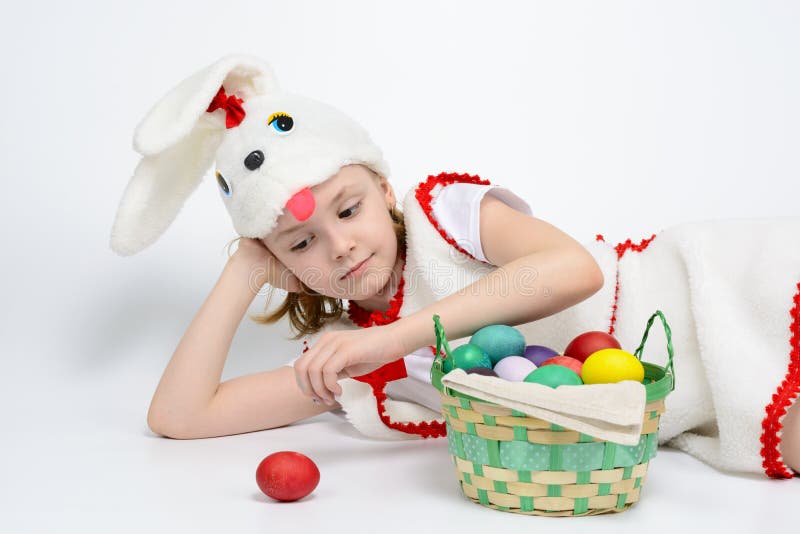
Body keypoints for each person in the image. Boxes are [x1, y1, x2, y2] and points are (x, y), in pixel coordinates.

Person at [111, 54, 800, 479]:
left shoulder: (448, 214)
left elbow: (571, 271)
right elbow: (180, 415)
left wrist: (397, 335)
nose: (339, 247)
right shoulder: (359, 364)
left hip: (709, 297)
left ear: (385, 190)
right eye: (300, 243)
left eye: (348, 210)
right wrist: (245, 267)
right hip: (687, 403)